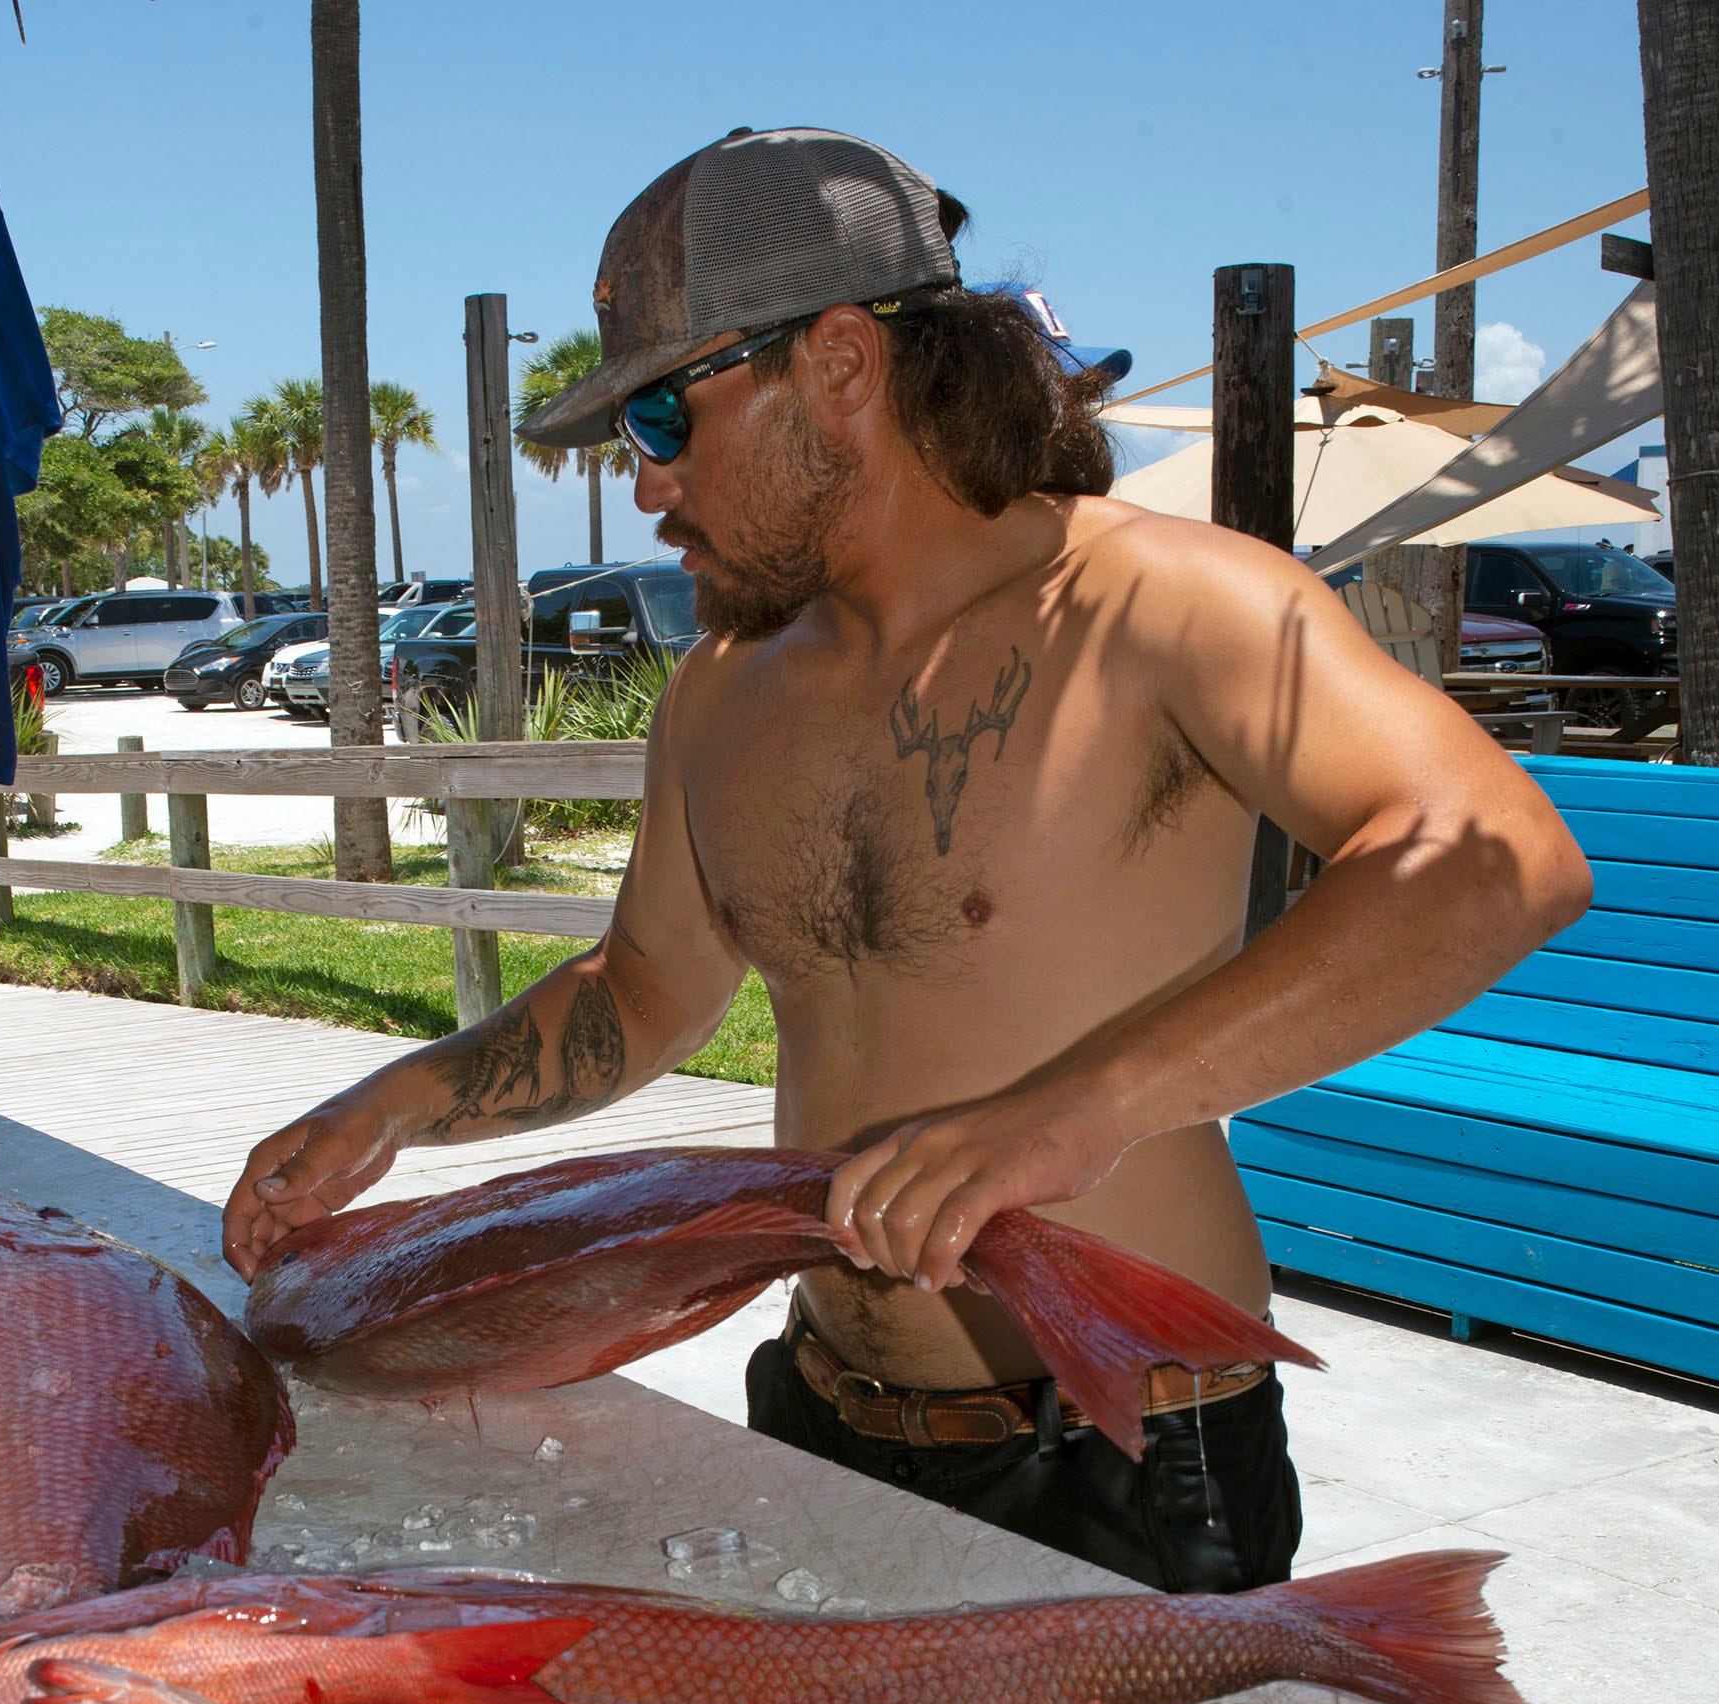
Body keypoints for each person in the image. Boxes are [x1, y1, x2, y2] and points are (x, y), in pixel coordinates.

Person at [222, 127, 1589, 1594]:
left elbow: (1495, 858)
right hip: (817, 1413)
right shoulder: (725, 688)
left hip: (1119, 1450)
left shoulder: (1156, 601)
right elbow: (644, 990)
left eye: (665, 419)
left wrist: (1075, 1115)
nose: (642, 490)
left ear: (835, 364)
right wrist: (401, 1102)